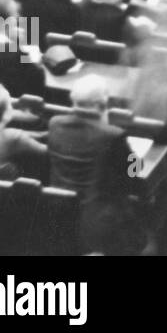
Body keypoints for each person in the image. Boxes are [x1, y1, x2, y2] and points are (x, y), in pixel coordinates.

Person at [47, 76, 143, 254]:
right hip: (98, 221)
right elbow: (134, 172)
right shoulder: (113, 135)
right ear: (102, 104)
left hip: (59, 216)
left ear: (73, 101)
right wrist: (137, 156)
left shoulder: (54, 124)